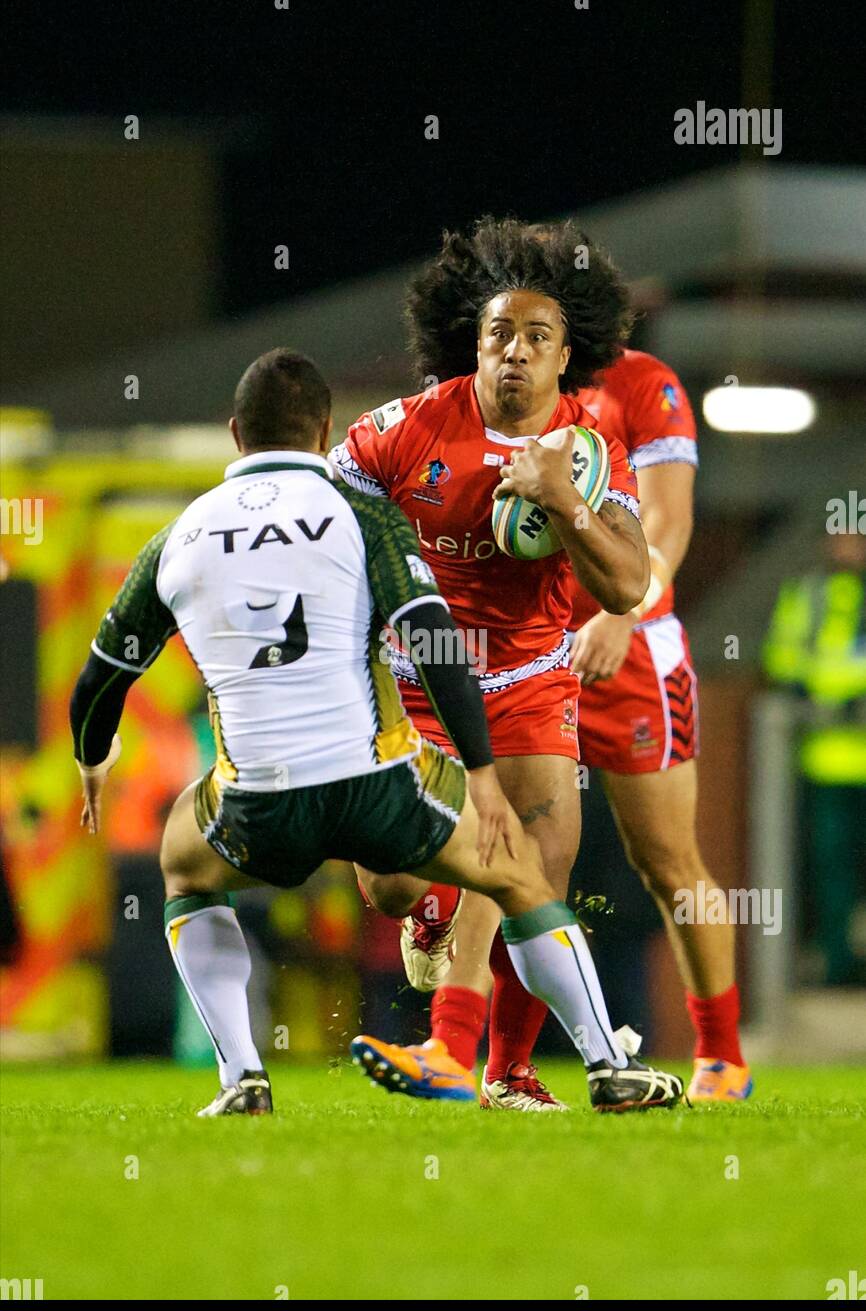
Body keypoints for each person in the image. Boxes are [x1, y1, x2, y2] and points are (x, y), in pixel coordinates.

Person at [69, 348, 683, 1114]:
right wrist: (484, 779)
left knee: (182, 864)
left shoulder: (178, 540)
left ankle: (243, 1082)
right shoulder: (361, 520)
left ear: (234, 434)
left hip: (256, 804)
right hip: (374, 789)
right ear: (324, 431)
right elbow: (435, 647)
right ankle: (605, 1066)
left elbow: (99, 682)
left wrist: (93, 762)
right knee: (519, 868)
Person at [331, 218, 669, 1108]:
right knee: (394, 890)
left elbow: (629, 584)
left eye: (537, 338)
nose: (515, 351)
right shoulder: (399, 431)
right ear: (470, 346)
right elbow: (323, 527)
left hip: (528, 683)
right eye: (499, 335)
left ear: (568, 357)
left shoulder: (591, 452)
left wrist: (565, 505)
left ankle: (501, 1071)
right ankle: (433, 913)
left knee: (531, 867)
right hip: (413, 684)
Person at [386, 348, 753, 1106]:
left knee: (667, 861)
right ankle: (500, 1065)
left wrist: (633, 610)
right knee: (516, 850)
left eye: (544, 324)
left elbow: (667, 521)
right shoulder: (477, 399)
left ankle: (721, 1057)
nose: (520, 346)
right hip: (519, 653)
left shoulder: (643, 386)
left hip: (626, 651)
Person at [763, 527, 866, 985]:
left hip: (845, 752)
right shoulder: (807, 594)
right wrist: (812, 691)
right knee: (830, 871)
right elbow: (782, 658)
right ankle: (838, 962)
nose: (846, 549)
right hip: (825, 760)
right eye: (840, 539)